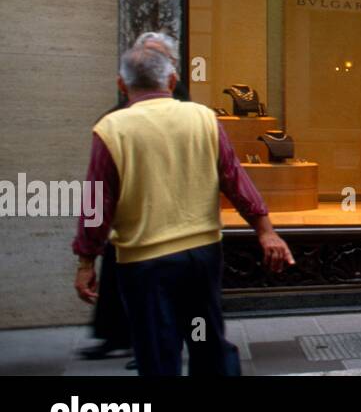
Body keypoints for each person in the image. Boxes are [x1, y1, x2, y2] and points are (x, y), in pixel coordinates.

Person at [73, 40, 293, 375]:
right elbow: (234, 178)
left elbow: (96, 201)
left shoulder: (112, 129)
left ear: (122, 84)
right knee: (204, 339)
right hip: (200, 258)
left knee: (158, 351)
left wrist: (86, 260)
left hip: (145, 263)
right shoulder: (203, 118)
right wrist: (265, 231)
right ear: (172, 81)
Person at [78, 33, 187, 367]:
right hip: (130, 206)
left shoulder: (179, 102)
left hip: (164, 209)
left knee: (158, 286)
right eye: (143, 53)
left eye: (154, 55)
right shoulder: (124, 105)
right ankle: (115, 334)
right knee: (118, 274)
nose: (146, 61)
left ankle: (158, 345)